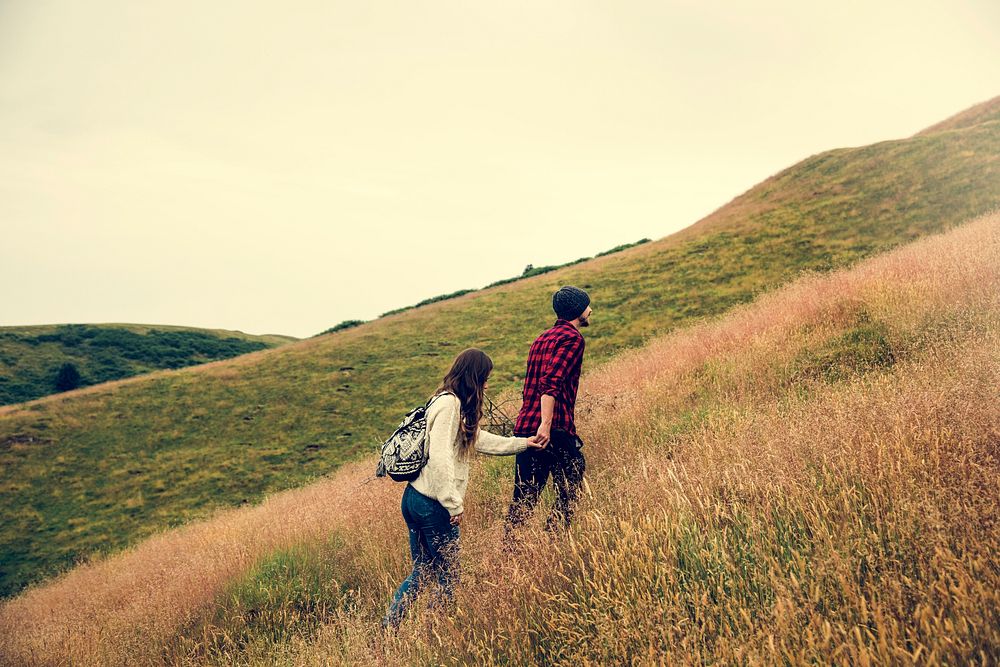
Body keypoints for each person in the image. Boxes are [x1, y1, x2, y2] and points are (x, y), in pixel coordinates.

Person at [383, 348, 543, 628]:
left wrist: (522, 443)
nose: (487, 384)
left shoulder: (447, 402)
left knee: (423, 570)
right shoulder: (449, 406)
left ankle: (390, 629)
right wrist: (452, 503)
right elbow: (441, 456)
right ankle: (434, 632)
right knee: (450, 577)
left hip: (417, 498)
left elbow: (478, 440)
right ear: (474, 377)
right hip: (431, 504)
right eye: (485, 378)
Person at [505, 285, 592, 534]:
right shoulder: (572, 339)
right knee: (571, 484)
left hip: (525, 429)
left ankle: (509, 556)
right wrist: (545, 424)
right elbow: (550, 382)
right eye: (587, 307)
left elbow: (531, 386)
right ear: (578, 311)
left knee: (523, 500)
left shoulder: (541, 339)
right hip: (552, 429)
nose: (590, 310)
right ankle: (553, 540)